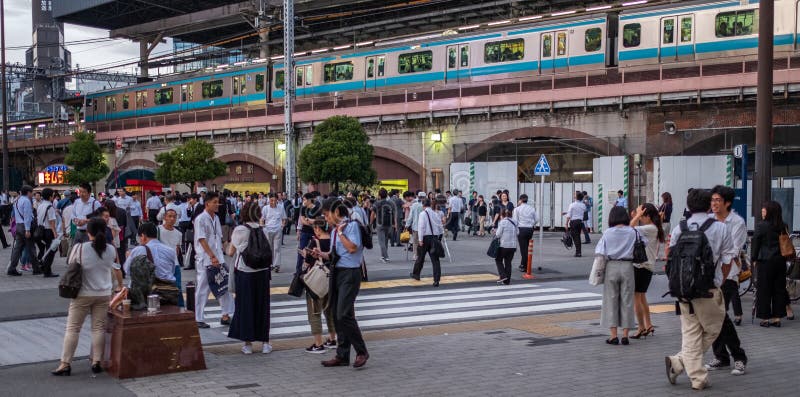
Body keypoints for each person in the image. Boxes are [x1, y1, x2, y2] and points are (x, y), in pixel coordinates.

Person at [665, 189, 733, 391]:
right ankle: (690, 371)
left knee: (691, 331)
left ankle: (686, 368)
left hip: (683, 289)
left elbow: (670, 257)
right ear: (707, 205)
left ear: (688, 206)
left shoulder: (680, 228)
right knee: (713, 328)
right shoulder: (719, 228)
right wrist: (720, 279)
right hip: (708, 288)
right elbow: (728, 258)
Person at [52, 217, 123, 376]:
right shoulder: (111, 249)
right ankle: (97, 361)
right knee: (98, 328)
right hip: (104, 293)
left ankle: (65, 363)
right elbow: (113, 266)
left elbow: (71, 263)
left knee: (73, 328)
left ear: (88, 231)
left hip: (82, 294)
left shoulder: (80, 248)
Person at [315, 198, 369, 368]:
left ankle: (362, 351)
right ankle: (342, 354)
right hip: (337, 272)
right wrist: (321, 254)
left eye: (326, 214)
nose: (326, 218)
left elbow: (353, 247)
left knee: (343, 314)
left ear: (336, 212)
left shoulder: (350, 226)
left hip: (350, 273)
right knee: (337, 314)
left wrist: (340, 233)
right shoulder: (334, 231)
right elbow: (334, 254)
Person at [705, 185, 748, 375]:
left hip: (729, 275)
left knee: (720, 317)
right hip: (711, 275)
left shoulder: (736, 222)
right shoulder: (709, 220)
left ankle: (738, 357)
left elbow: (732, 250)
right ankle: (721, 357)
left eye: (717, 200)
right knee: (715, 318)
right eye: (712, 200)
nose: (714, 203)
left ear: (727, 203)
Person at [227, 202, 272, 354]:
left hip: (245, 272)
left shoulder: (239, 230)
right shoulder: (263, 230)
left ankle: (248, 344)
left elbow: (231, 252)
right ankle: (265, 343)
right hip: (263, 271)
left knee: (245, 307)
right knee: (262, 306)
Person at [596, 206, 641, 345]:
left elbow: (600, 251)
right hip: (628, 266)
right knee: (627, 300)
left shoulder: (608, 232)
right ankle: (625, 335)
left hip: (612, 266)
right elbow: (642, 244)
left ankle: (614, 335)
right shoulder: (633, 232)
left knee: (611, 300)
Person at [194, 192, 235, 329]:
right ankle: (198, 317)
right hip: (206, 259)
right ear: (207, 203)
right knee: (203, 288)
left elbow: (219, 237)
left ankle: (226, 314)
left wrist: (221, 254)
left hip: (218, 257)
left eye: (218, 202)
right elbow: (201, 239)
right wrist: (211, 256)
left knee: (224, 285)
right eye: (215, 202)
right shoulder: (201, 219)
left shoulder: (216, 217)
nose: (218, 205)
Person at [300, 218, 337, 353]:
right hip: (330, 280)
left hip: (316, 282)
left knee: (314, 312)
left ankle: (318, 343)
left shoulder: (314, 241)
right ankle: (333, 339)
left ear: (317, 229)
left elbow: (307, 262)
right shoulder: (333, 241)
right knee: (330, 311)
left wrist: (305, 255)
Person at [629, 204, 665, 339]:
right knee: (642, 297)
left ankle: (640, 327)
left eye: (642, 215)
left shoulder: (649, 228)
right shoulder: (653, 227)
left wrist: (636, 216)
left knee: (636, 298)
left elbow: (629, 229)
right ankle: (648, 325)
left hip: (641, 266)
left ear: (648, 216)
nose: (641, 218)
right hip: (647, 266)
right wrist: (638, 215)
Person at [751, 200, 789, 328]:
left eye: (764, 210)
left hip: (765, 261)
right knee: (779, 289)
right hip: (780, 261)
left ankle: (765, 318)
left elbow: (755, 242)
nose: (763, 212)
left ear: (770, 212)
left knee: (764, 289)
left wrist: (754, 258)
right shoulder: (783, 226)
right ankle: (777, 318)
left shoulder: (762, 225)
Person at [123, 222, 178, 303]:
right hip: (168, 292)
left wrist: (128, 257)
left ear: (143, 236)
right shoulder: (170, 250)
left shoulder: (138, 250)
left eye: (140, 237)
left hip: (146, 295)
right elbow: (172, 271)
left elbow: (127, 271)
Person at [6, 185, 41, 276]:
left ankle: (12, 268)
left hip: (18, 226)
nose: (32, 194)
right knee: (31, 248)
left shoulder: (17, 200)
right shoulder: (26, 201)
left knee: (17, 248)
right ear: (28, 192)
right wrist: (28, 230)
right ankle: (36, 268)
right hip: (25, 227)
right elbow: (27, 217)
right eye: (32, 192)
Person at [411, 198, 444, 287]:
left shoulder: (423, 214)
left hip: (425, 238)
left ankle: (416, 274)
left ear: (423, 205)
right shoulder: (435, 214)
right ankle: (436, 280)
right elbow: (440, 226)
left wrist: (420, 239)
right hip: (434, 238)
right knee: (435, 260)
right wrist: (439, 237)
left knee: (420, 257)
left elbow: (421, 227)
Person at [158, 209, 184, 306]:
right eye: (169, 216)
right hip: (162, 265)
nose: (172, 219)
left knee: (178, 288)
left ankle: (180, 308)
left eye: (174, 216)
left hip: (175, 265)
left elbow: (177, 249)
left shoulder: (178, 233)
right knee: (162, 289)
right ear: (165, 217)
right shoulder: (158, 230)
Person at [34, 188, 60, 278]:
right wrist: (55, 234)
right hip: (49, 230)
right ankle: (46, 270)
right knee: (51, 250)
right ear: (50, 197)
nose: (53, 197)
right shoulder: (50, 207)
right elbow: (52, 222)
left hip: (41, 230)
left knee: (48, 249)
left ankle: (45, 268)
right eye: (53, 195)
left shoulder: (40, 205)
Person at [260, 193, 286, 273]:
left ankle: (277, 265)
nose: (273, 202)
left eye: (275, 200)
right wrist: (263, 227)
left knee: (277, 248)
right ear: (269, 200)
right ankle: (270, 264)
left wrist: (282, 226)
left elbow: (284, 218)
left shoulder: (280, 207)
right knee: (269, 248)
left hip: (277, 229)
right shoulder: (265, 208)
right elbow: (262, 219)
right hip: (268, 230)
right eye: (272, 200)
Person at [297, 193, 321, 275]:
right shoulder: (303, 208)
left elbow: (318, 220)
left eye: (304, 199)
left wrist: (309, 220)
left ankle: (311, 271)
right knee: (301, 251)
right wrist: (312, 222)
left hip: (314, 233)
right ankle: (299, 271)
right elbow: (303, 221)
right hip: (304, 232)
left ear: (310, 200)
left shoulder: (317, 209)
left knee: (313, 252)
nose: (303, 201)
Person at [513, 194, 538, 272]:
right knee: (527, 247)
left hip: (521, 229)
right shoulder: (532, 209)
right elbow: (537, 219)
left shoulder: (517, 209)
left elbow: (515, 221)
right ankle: (523, 263)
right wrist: (532, 224)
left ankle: (525, 265)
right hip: (530, 229)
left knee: (523, 249)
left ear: (520, 200)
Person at [371, 188, 396, 263]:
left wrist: (370, 223)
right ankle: (383, 256)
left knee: (381, 242)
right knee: (385, 241)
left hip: (380, 224)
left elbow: (372, 214)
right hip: (389, 224)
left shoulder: (376, 203)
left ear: (379, 195)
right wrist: (395, 224)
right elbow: (394, 214)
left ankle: (386, 257)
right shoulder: (391, 203)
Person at [495, 209, 518, 285]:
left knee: (498, 260)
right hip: (513, 246)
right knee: (508, 262)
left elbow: (498, 234)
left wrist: (494, 231)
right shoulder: (515, 222)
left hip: (504, 245)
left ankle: (503, 276)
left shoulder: (502, 222)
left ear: (502, 215)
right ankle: (507, 281)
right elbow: (518, 232)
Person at [565, 192, 587, 257]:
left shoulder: (572, 205)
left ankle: (578, 252)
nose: (574, 195)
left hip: (573, 222)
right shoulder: (583, 205)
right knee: (577, 237)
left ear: (576, 197)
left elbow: (569, 215)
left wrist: (566, 224)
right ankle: (578, 251)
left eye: (575, 195)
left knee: (576, 237)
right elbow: (583, 211)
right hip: (580, 222)